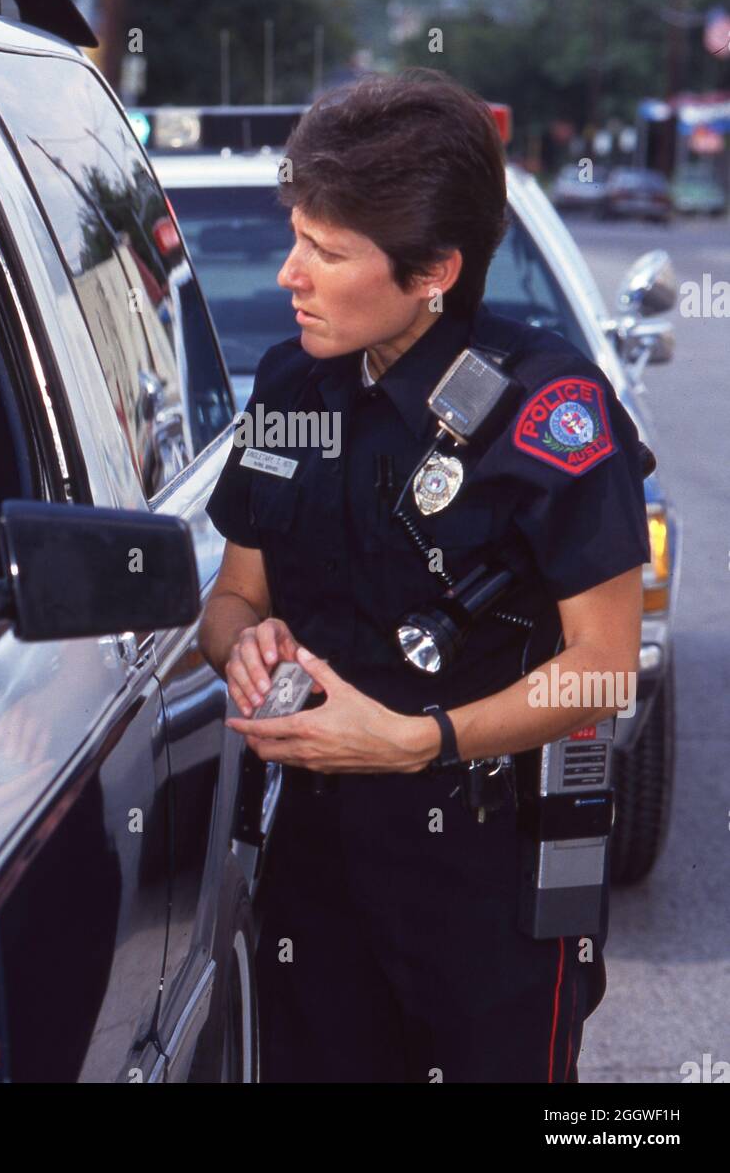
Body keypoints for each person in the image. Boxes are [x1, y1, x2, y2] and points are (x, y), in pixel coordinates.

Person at [198, 69, 651, 1084]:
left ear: (433, 270)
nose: (288, 274)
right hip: (314, 858)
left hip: (487, 875)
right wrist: (244, 643)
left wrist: (418, 741)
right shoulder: (290, 385)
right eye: (294, 235)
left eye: (325, 250)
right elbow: (231, 599)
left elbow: (604, 667)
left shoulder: (547, 414)